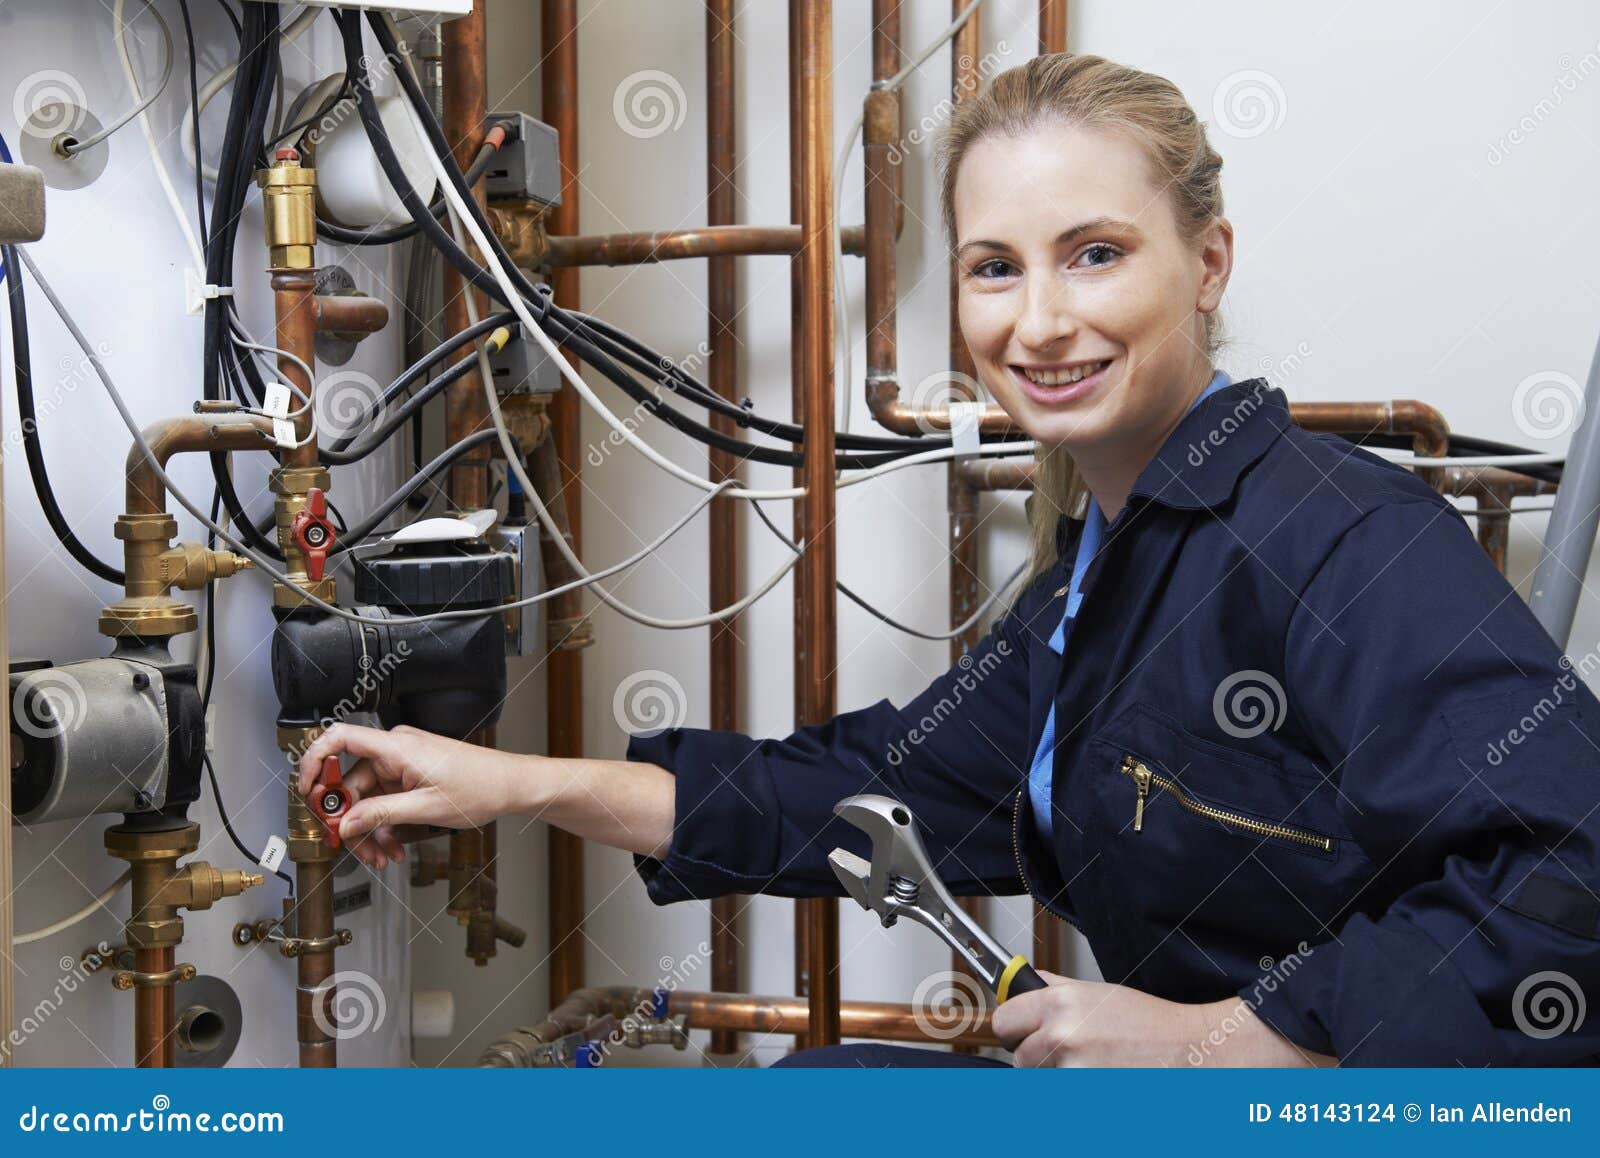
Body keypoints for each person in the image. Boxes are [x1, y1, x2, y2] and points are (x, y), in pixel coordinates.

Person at [298, 54, 1600, 1067]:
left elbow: (1571, 884)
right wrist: (508, 780)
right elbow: (867, 791)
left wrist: (1240, 1039)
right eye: (995, 268)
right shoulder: (1107, 579)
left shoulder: (1334, 536)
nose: (1040, 320)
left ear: (1207, 262)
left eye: (1096, 253)